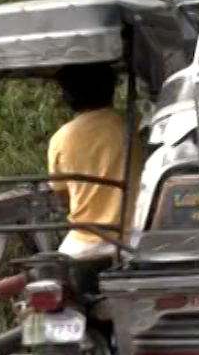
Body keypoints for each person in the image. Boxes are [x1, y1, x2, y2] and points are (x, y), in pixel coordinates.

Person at [46, 61, 139, 260]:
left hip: (84, 242)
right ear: (111, 90)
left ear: (67, 96)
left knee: (57, 274)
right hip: (132, 238)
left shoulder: (60, 138)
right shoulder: (133, 130)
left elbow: (61, 193)